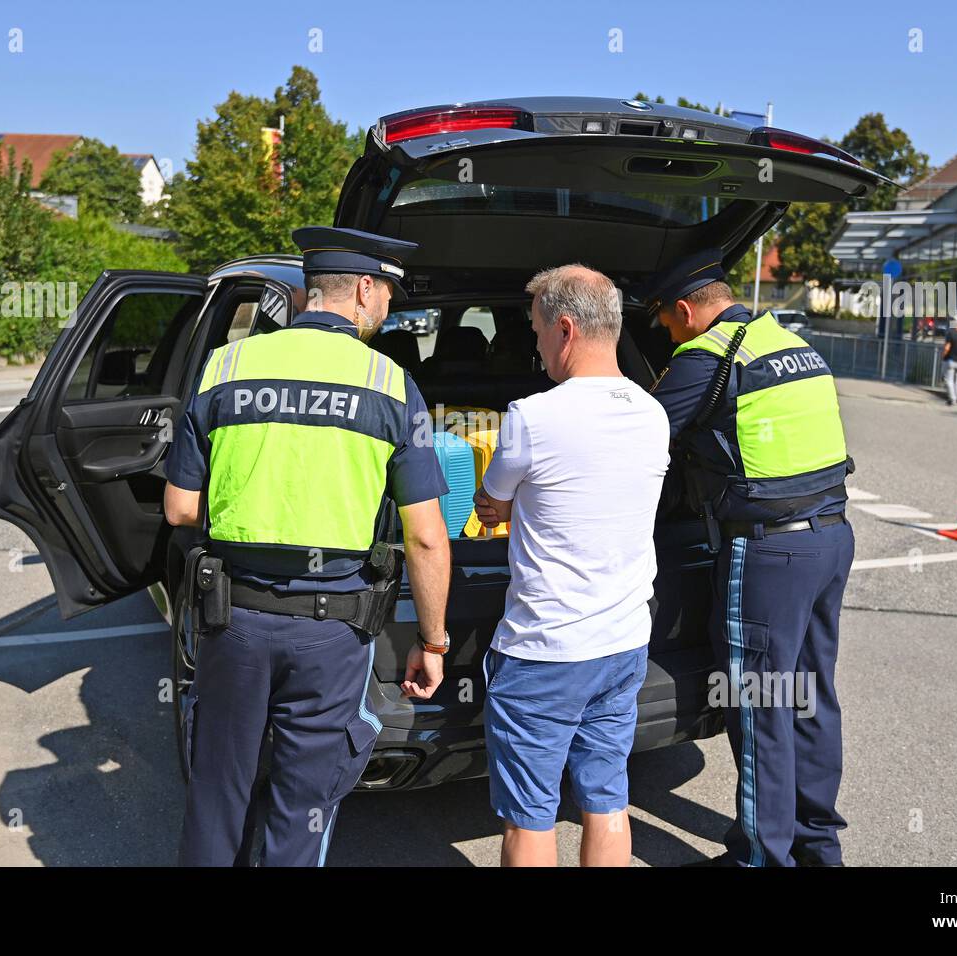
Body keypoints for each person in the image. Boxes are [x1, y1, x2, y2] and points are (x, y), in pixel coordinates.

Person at [164, 226, 452, 866]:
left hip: (231, 620)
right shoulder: (391, 384)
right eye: (387, 298)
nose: (388, 311)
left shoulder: (225, 366)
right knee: (304, 807)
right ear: (362, 290)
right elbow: (427, 535)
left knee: (217, 792)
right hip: (331, 635)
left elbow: (180, 507)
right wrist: (432, 643)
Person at [644, 249, 854, 867]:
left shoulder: (706, 356)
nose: (664, 332)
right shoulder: (786, 342)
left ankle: (762, 857)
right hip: (831, 537)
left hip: (769, 552)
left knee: (760, 702)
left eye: (664, 321)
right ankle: (818, 846)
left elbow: (635, 440)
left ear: (686, 310)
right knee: (809, 694)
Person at [473, 264, 669, 867]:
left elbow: (489, 503)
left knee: (528, 818)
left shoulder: (532, 416)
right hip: (624, 643)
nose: (533, 346)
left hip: (546, 651)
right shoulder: (653, 413)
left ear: (565, 329)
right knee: (607, 800)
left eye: (534, 332)